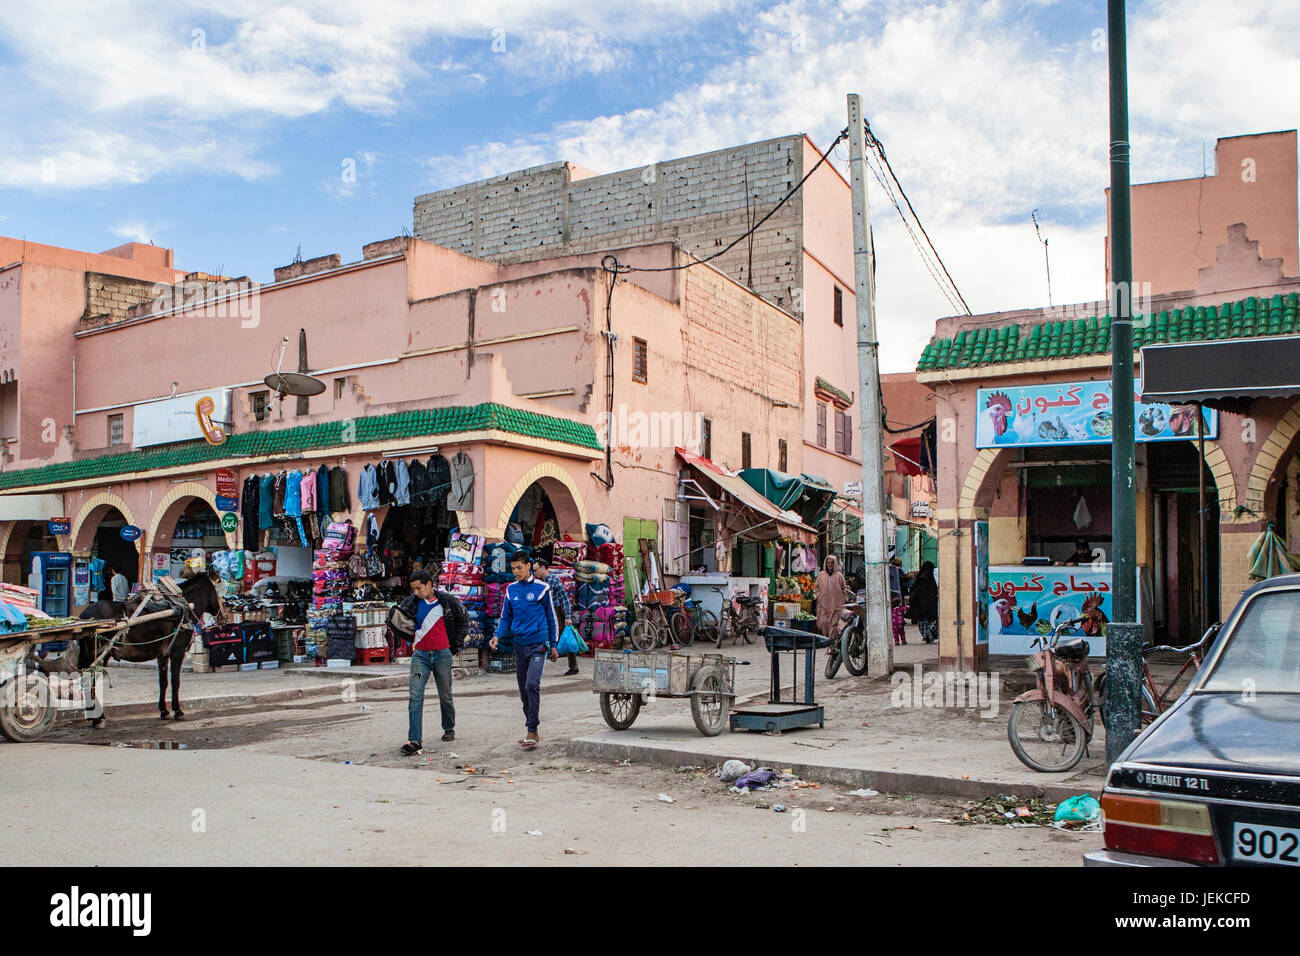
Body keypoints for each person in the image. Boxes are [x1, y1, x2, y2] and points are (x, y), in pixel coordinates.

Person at [489, 551, 559, 750]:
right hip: (519, 645)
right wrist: (497, 635)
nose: (516, 572)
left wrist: (553, 644)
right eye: (513, 568)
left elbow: (551, 618)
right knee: (523, 691)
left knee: (531, 685)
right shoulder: (511, 590)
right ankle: (533, 728)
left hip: (539, 644)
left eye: (519, 567)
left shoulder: (542, 588)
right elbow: (506, 618)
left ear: (529, 566)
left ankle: (531, 729)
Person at [399, 570, 468, 755]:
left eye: (419, 588)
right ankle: (414, 739)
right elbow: (401, 621)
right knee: (415, 696)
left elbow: (463, 621)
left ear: (429, 584)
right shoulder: (411, 603)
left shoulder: (447, 601)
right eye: (413, 589)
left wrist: (456, 645)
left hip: (442, 654)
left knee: (445, 694)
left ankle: (448, 727)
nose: (416, 593)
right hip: (420, 655)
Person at [533, 556, 577, 675]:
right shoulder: (539, 581)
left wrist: (567, 616)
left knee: (565, 636)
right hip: (545, 611)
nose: (535, 573)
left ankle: (573, 666)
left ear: (543, 568)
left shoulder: (553, 579)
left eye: (536, 570)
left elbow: (564, 598)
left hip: (557, 611)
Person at [814, 554, 846, 639]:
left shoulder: (839, 575)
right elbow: (816, 587)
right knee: (824, 621)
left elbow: (844, 588)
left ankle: (831, 639)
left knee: (834, 622)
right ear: (826, 563)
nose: (830, 564)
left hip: (836, 604)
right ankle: (825, 637)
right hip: (823, 603)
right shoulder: (821, 575)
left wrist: (843, 599)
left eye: (832, 563)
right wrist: (818, 595)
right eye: (828, 563)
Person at [906, 560, 939, 644]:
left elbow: (913, 592)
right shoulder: (933, 579)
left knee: (922, 621)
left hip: (920, 606)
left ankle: (926, 635)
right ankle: (930, 631)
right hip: (932, 604)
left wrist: (912, 605)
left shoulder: (918, 579)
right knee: (934, 620)